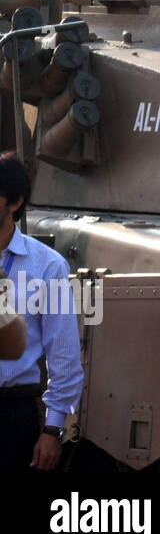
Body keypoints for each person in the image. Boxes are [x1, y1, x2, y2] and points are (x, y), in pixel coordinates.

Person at [0, 153, 84, 471]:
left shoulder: (47, 266)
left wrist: (53, 428)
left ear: (15, 201)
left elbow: (64, 355)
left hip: (12, 414)